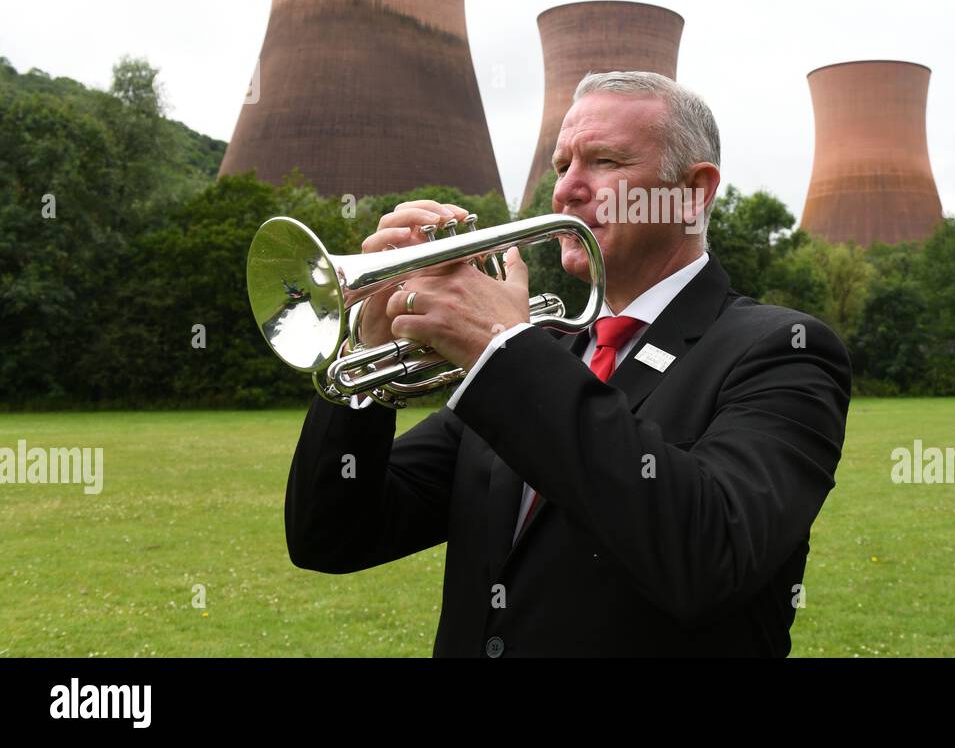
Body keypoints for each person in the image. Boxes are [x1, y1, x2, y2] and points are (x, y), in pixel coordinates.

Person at [284, 71, 851, 656]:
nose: (567, 191)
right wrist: (363, 362)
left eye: (604, 162)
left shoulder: (783, 352)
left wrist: (502, 347)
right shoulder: (539, 353)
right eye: (561, 166)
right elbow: (331, 536)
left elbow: (709, 556)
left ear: (693, 191)